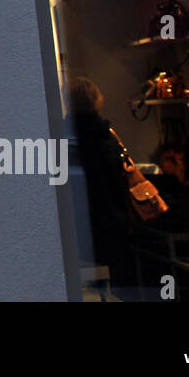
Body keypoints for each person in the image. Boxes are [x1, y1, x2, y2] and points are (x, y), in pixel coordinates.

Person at [68, 77, 142, 297]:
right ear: (96, 100)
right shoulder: (107, 137)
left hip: (78, 230)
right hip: (113, 225)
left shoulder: (62, 138)